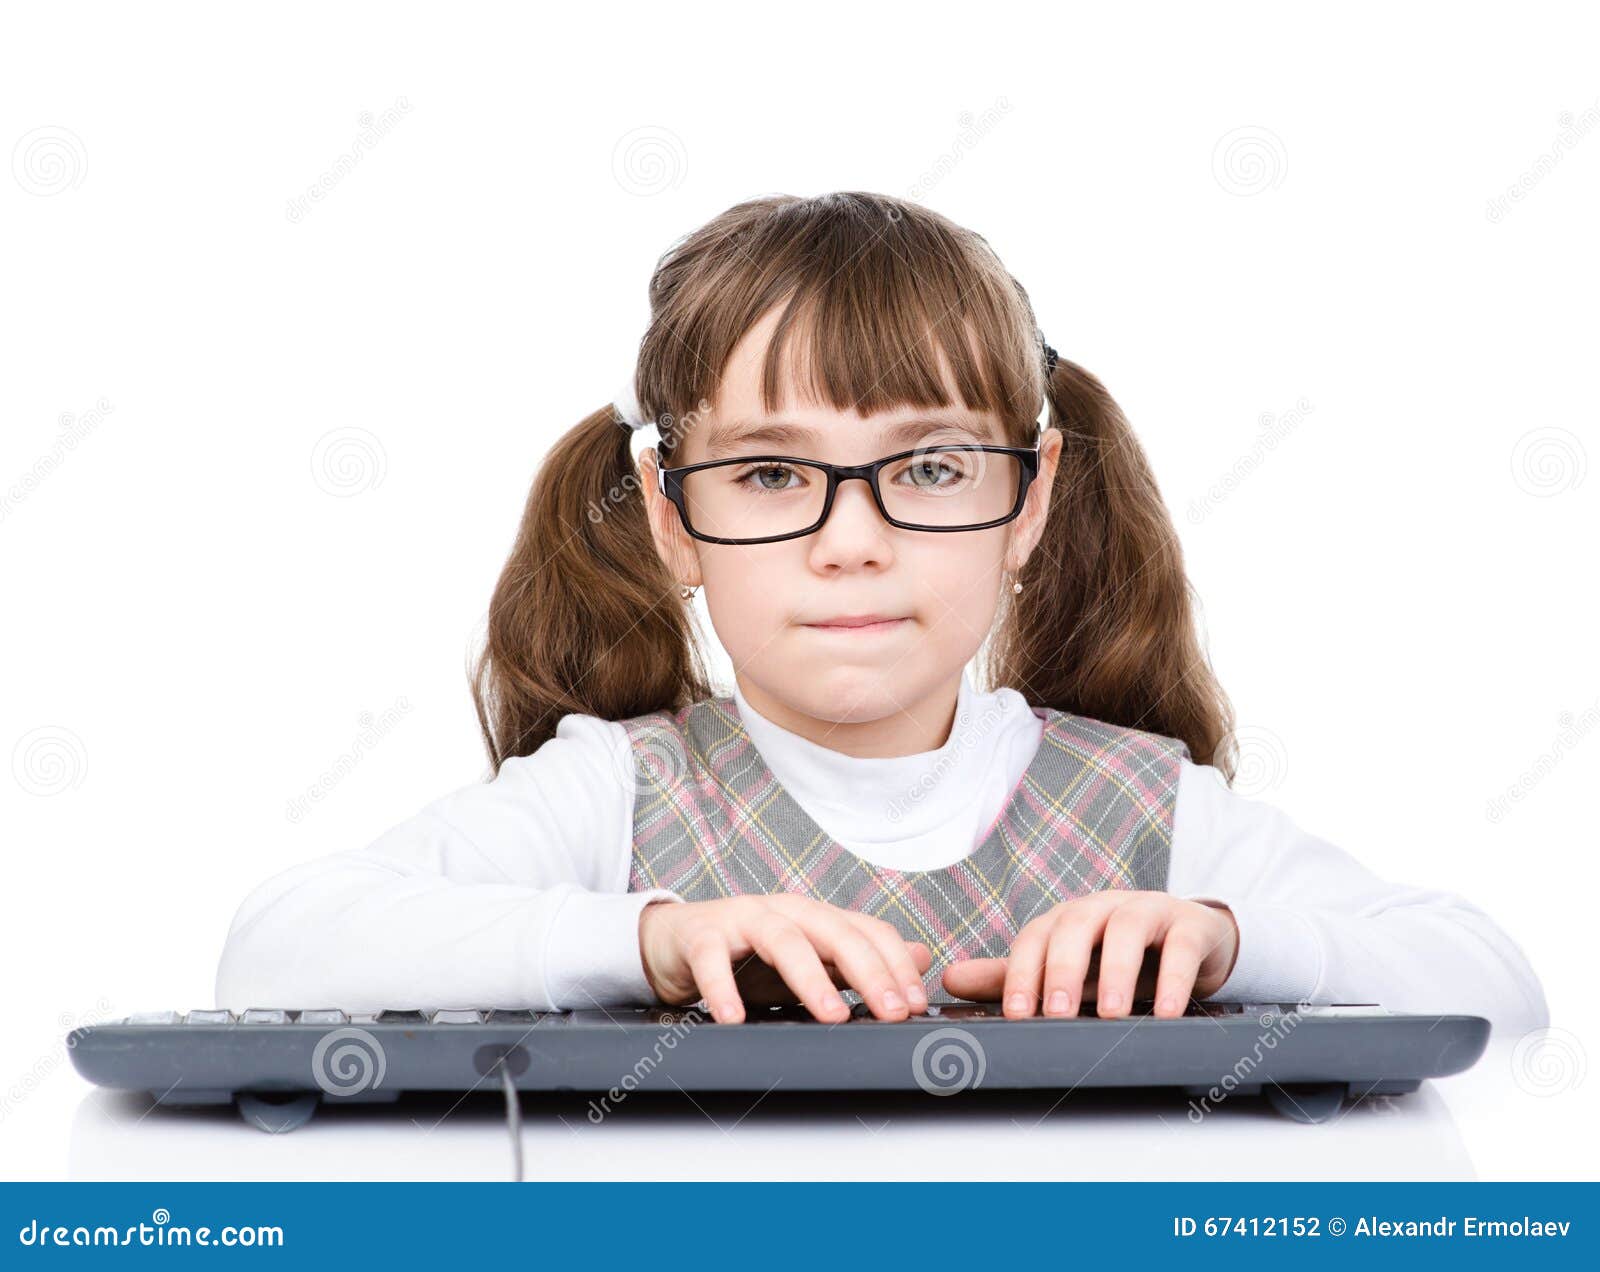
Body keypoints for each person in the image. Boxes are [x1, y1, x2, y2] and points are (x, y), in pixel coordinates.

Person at [215, 191, 1549, 1038]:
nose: (851, 544)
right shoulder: (616, 800)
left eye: (927, 469)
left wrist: (1233, 940)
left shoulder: (1148, 814)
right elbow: (276, 946)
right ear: (674, 515)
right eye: (772, 474)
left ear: (1029, 503)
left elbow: (1495, 981)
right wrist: (652, 938)